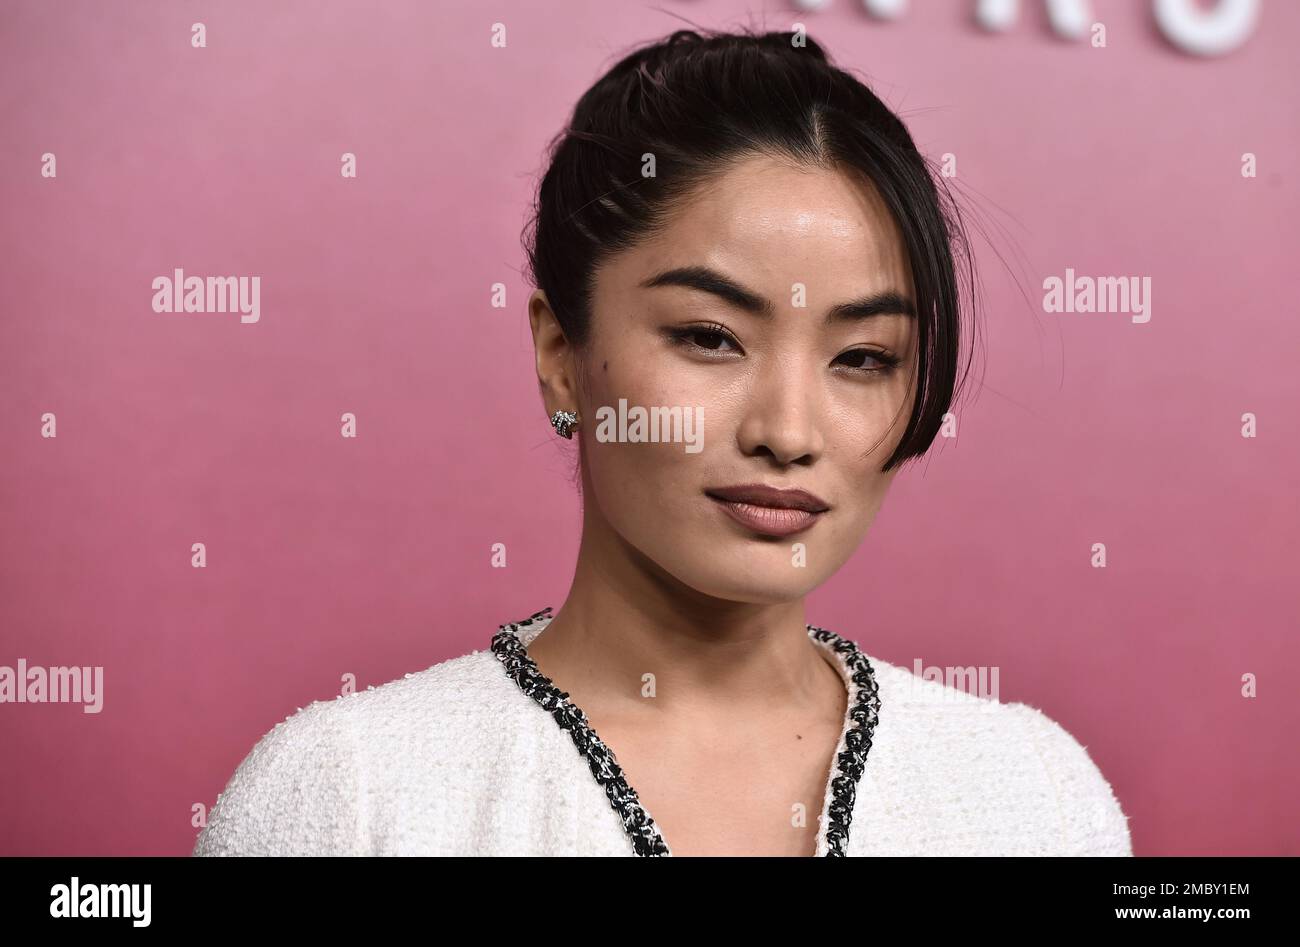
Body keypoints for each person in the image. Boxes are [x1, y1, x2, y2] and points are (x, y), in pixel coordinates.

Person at [193, 27, 1132, 857]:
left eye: (862, 356)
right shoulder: (348, 798)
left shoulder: (1032, 795)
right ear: (563, 352)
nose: (787, 432)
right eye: (710, 337)